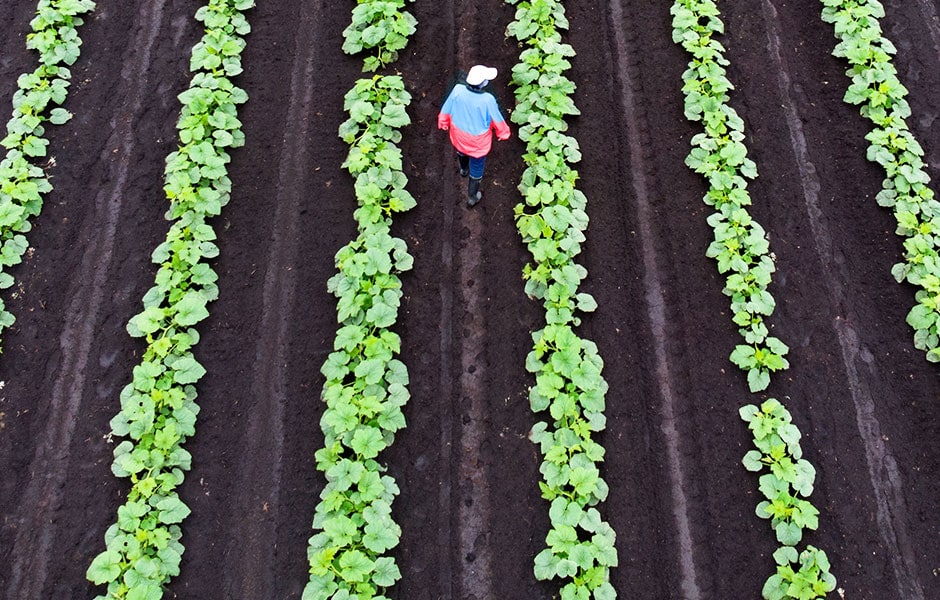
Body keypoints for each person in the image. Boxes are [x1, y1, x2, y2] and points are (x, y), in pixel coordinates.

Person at [438, 65, 511, 207]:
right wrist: (503, 133)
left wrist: (443, 122)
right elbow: (497, 119)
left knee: (461, 151)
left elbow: (447, 108)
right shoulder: (487, 99)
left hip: (458, 134)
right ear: (483, 83)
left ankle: (463, 169)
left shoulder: (458, 90)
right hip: (478, 142)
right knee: (477, 166)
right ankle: (472, 197)